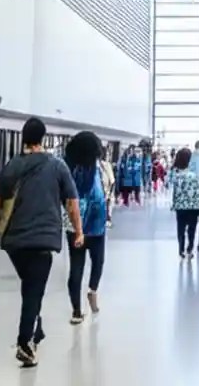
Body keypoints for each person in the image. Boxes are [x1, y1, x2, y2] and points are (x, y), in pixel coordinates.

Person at [0, 118, 82, 368]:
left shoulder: (11, 166)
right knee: (33, 291)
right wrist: (79, 231)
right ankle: (25, 343)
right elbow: (72, 203)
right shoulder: (57, 166)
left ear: (24, 138)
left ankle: (36, 329)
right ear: (42, 138)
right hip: (43, 240)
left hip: (14, 242)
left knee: (30, 286)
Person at [63, 131, 109, 325]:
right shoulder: (98, 168)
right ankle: (92, 290)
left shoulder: (67, 168)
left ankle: (76, 311)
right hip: (96, 224)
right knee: (98, 261)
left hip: (74, 224)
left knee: (76, 266)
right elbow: (105, 192)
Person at [170, 148, 199, 258]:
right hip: (194, 207)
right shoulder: (195, 175)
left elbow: (175, 192)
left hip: (181, 206)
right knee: (192, 229)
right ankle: (190, 248)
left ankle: (181, 249)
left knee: (181, 228)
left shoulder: (176, 175)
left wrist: (174, 204)